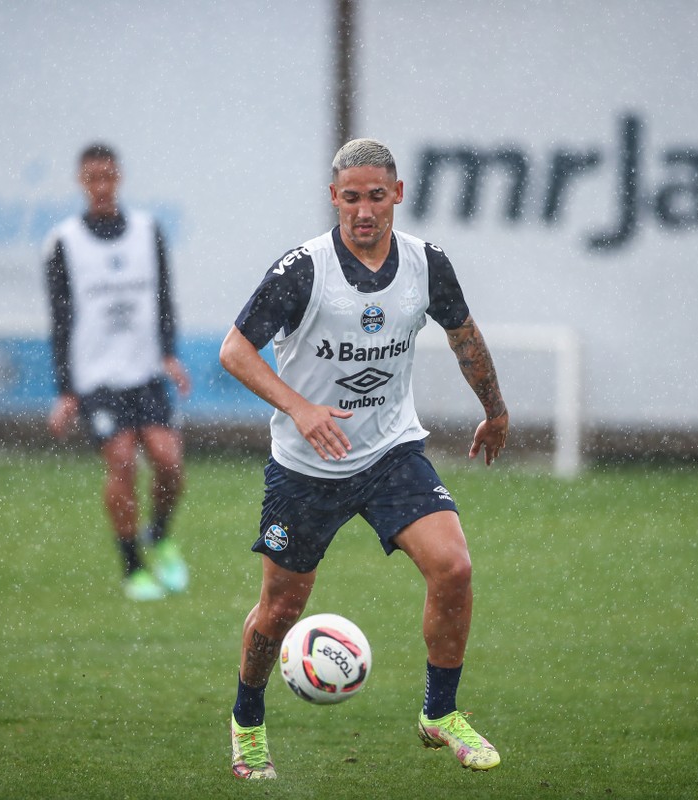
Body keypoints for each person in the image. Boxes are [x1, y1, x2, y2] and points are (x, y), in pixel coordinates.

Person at [219, 137, 509, 778]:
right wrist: (300, 407)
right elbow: (234, 351)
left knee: (454, 567)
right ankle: (248, 721)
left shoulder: (426, 263)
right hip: (305, 467)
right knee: (280, 609)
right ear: (334, 198)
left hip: (388, 453)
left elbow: (464, 336)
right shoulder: (303, 270)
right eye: (351, 197)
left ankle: (440, 715)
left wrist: (494, 408)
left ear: (398, 195)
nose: (364, 210)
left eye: (377, 196)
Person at [44, 142, 191, 602]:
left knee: (169, 462)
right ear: (81, 182)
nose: (102, 186)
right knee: (123, 461)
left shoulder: (148, 231)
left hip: (145, 372)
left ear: (120, 177)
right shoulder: (64, 242)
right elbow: (61, 319)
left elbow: (163, 297)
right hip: (98, 379)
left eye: (108, 176)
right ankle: (132, 567)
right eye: (93, 178)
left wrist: (168, 354)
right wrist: (67, 390)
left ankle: (159, 534)